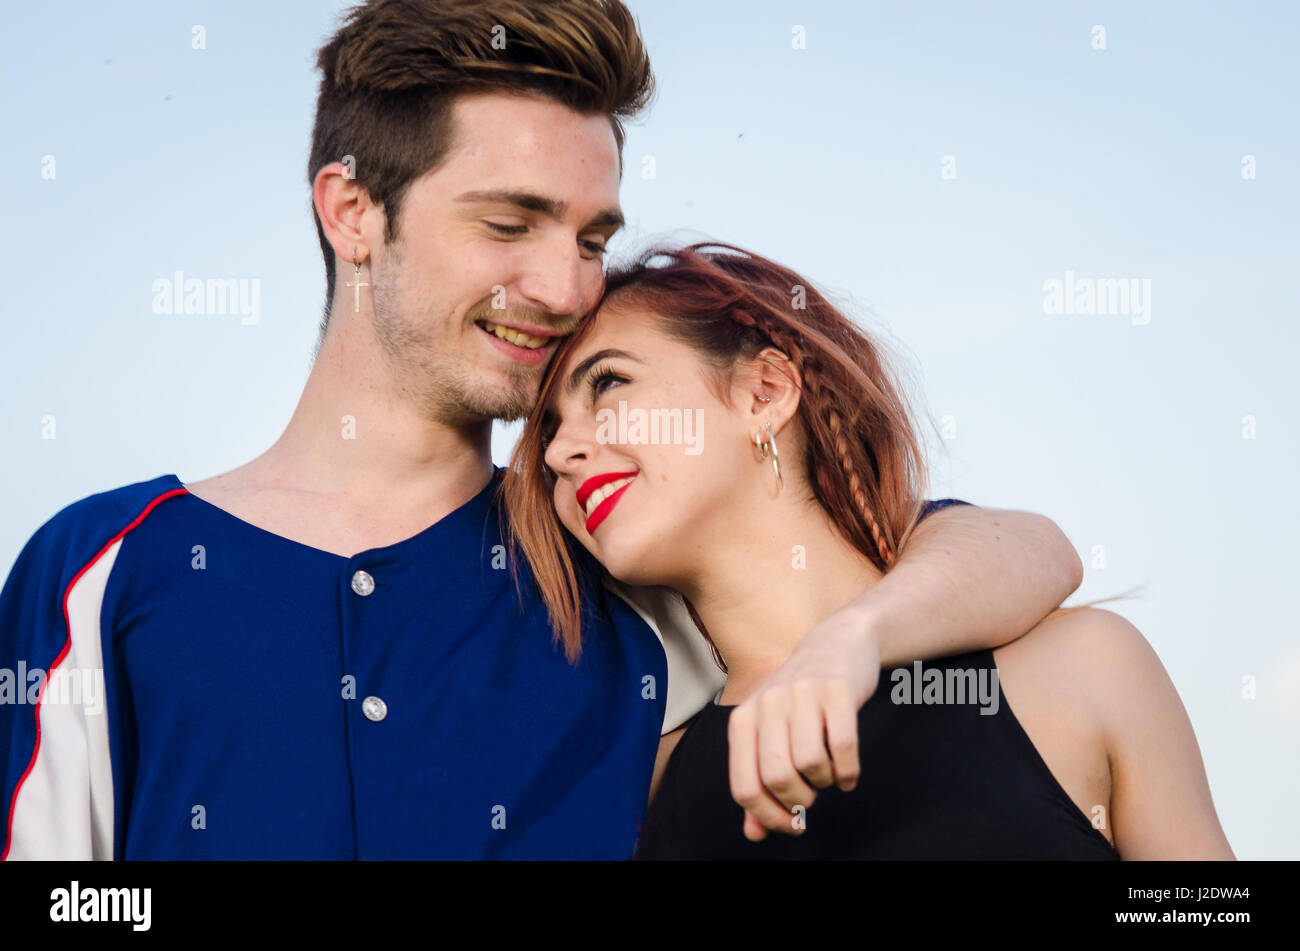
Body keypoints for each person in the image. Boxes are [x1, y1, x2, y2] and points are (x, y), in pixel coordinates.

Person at [0, 0, 1081, 860]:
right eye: (509, 223)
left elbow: (1012, 554)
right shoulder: (104, 568)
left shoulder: (612, 568)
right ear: (352, 211)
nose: (566, 287)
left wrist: (856, 639)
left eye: (591, 236)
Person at [504, 241, 1236, 859]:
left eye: (609, 383)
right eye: (548, 433)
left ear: (763, 392)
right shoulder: (645, 789)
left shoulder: (1081, 666)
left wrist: (851, 641)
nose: (564, 450)